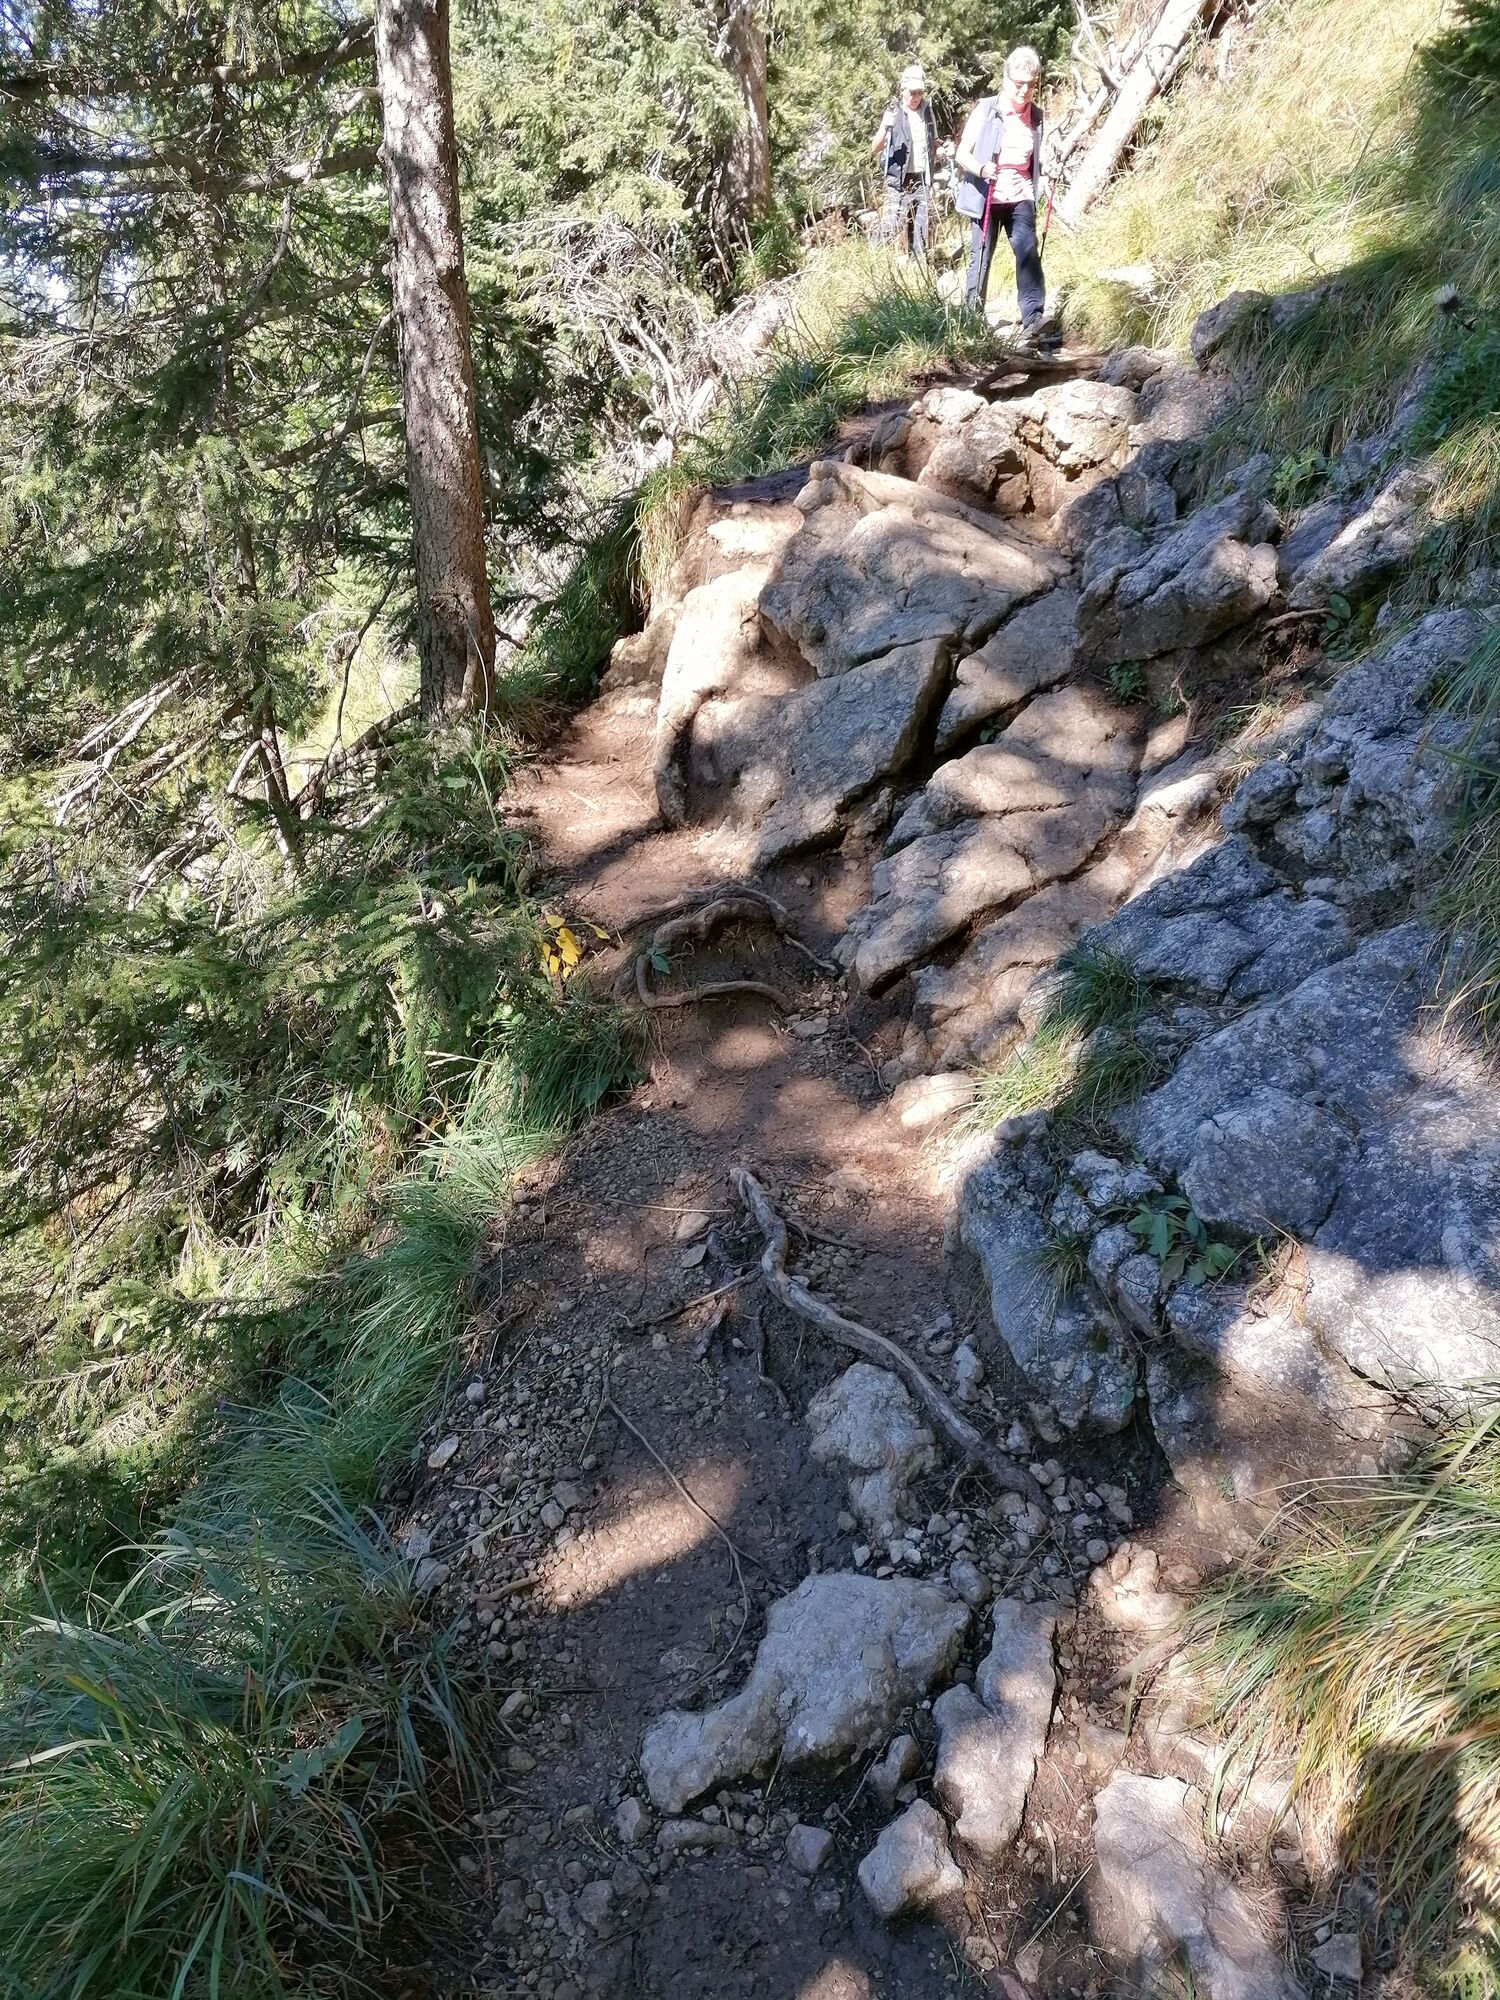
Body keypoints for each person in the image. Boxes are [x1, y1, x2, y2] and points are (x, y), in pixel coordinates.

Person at [954, 47, 1047, 334]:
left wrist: (1047, 168)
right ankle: (971, 320)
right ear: (1006, 79)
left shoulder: (1036, 115)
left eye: (1031, 84)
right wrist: (982, 169)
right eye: (1019, 83)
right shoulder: (987, 108)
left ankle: (1034, 319)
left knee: (1027, 251)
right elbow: (961, 154)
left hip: (1020, 194)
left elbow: (1036, 157)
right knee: (981, 257)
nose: (1025, 90)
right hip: (987, 196)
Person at [870, 63, 939, 259]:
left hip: (922, 179)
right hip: (898, 180)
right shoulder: (893, 112)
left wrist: (939, 149)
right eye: (913, 92)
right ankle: (871, 256)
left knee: (920, 229)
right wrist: (884, 127)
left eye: (920, 92)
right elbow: (875, 148)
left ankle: (917, 268)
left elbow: (933, 142)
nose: (916, 97)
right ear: (903, 89)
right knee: (891, 225)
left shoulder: (927, 112)